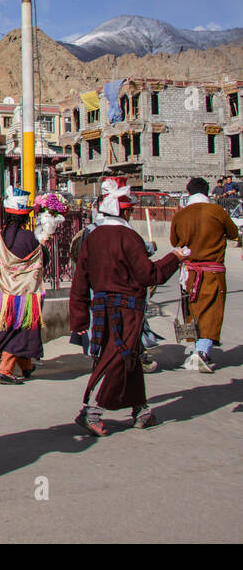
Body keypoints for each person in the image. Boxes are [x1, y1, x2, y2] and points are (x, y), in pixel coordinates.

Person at [69, 177, 186, 436]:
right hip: (125, 310)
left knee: (129, 357)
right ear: (125, 210)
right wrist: (174, 258)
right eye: (130, 209)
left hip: (102, 307)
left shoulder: (93, 237)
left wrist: (78, 319)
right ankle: (91, 409)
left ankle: (141, 410)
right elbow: (149, 275)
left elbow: (80, 281)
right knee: (116, 356)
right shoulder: (129, 237)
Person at [170, 176, 239, 372]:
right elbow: (233, 233)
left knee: (192, 309)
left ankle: (195, 349)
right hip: (212, 271)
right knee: (211, 310)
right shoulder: (217, 211)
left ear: (189, 192)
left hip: (189, 272)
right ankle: (201, 352)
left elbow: (175, 241)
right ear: (207, 191)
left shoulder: (181, 215)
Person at [0, 188, 47, 384]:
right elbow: (43, 261)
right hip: (23, 295)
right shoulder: (30, 239)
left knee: (9, 327)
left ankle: (26, 366)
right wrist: (43, 243)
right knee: (20, 329)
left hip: (1, 293)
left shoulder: (0, 237)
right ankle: (6, 370)